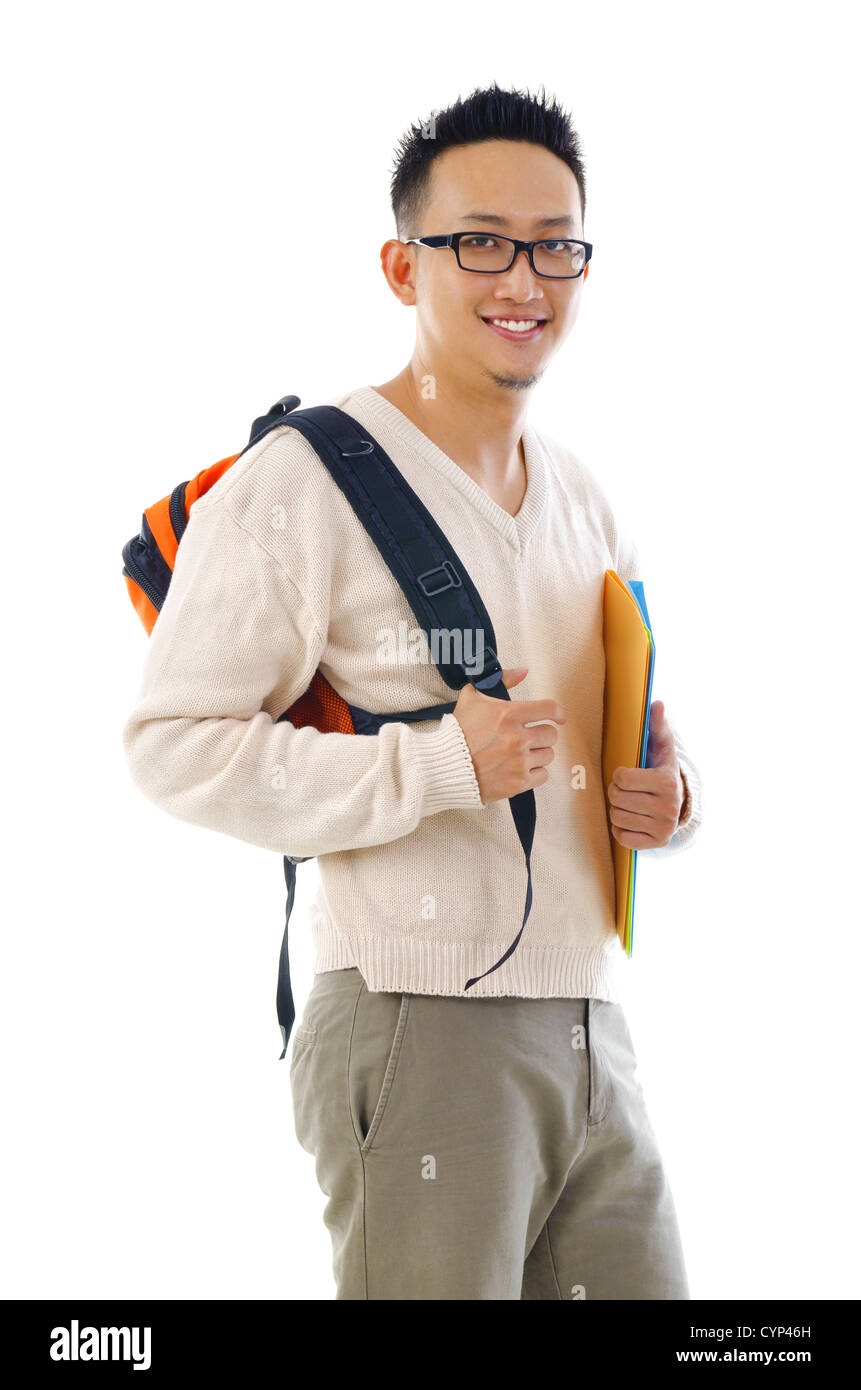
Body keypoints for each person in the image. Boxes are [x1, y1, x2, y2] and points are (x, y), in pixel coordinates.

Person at [123, 81, 702, 1300]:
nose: (523, 279)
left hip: (597, 1025)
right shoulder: (307, 480)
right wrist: (440, 764)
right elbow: (170, 742)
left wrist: (674, 793)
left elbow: (625, 735)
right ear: (403, 266)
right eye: (480, 242)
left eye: (556, 246)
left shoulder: (587, 499)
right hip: (414, 1017)